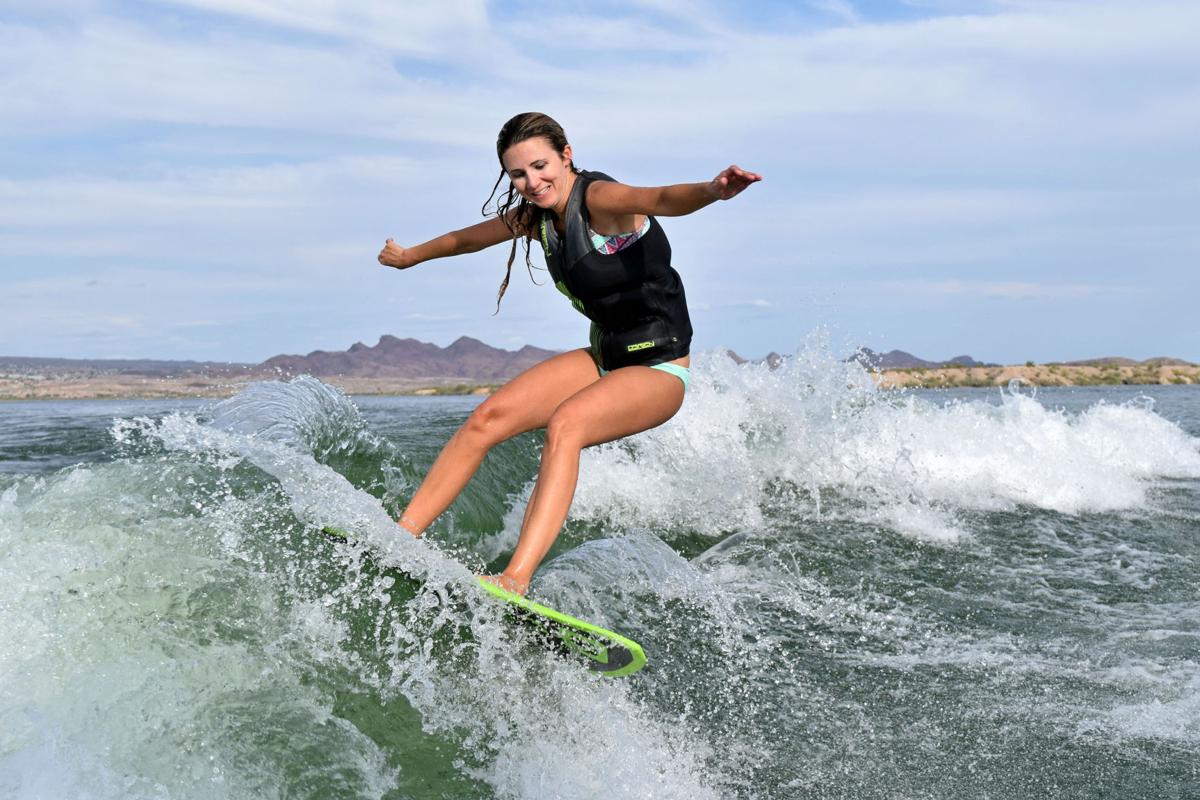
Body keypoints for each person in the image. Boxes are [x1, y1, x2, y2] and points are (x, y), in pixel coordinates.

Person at [377, 112, 760, 595]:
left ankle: (515, 578)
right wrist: (410, 256)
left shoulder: (599, 198)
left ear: (566, 156)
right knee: (487, 419)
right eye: (518, 174)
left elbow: (660, 198)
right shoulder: (536, 217)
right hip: (605, 356)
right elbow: (468, 239)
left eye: (540, 167)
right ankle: (399, 539)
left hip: (658, 368)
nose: (532, 182)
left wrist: (712, 190)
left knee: (566, 424)